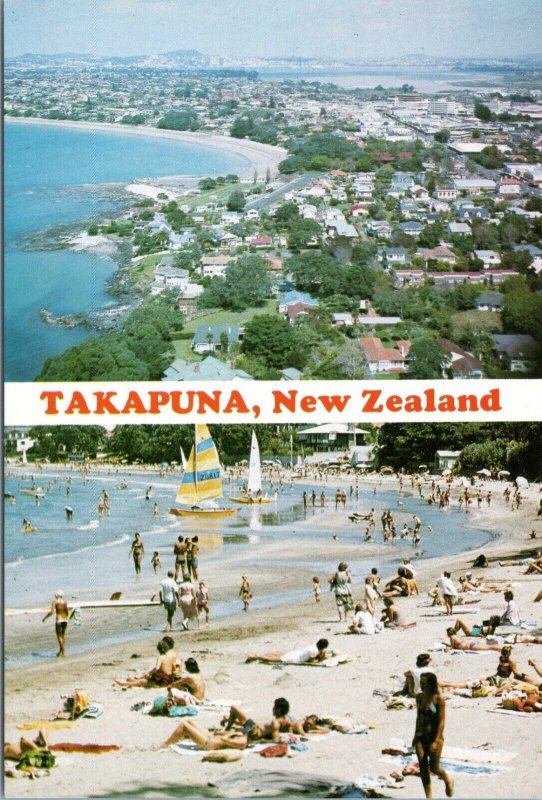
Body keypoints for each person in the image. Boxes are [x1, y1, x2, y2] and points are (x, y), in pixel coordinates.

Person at [412, 672, 454, 798]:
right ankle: (429, 797)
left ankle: (448, 780)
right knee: (423, 768)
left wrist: (436, 740)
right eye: (421, 682)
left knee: (434, 768)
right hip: (421, 736)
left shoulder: (438, 699)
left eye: (424, 683)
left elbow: (441, 721)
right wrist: (415, 735)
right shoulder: (419, 697)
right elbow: (419, 718)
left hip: (435, 737)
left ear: (431, 684)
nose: (422, 685)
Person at [114, 637, 181, 687]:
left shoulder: (160, 657)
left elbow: (156, 668)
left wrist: (150, 673)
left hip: (162, 682)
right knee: (145, 681)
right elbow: (173, 668)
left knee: (140, 683)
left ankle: (122, 683)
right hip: (169, 679)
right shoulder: (168, 657)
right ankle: (132, 680)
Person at [246, 638, 330, 664]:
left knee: (277, 655)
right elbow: (311, 662)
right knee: (273, 659)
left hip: (296, 653)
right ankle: (255, 657)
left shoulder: (313, 646)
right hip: (295, 659)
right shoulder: (315, 651)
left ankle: (257, 656)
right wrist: (320, 659)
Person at [42, 590, 69, 657]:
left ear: (56, 595)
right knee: (62, 636)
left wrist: (45, 618)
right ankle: (60, 652)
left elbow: (51, 612)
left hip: (59, 620)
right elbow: (67, 611)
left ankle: (63, 652)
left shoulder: (55, 602)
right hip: (65, 620)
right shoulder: (65, 602)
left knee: (59, 636)